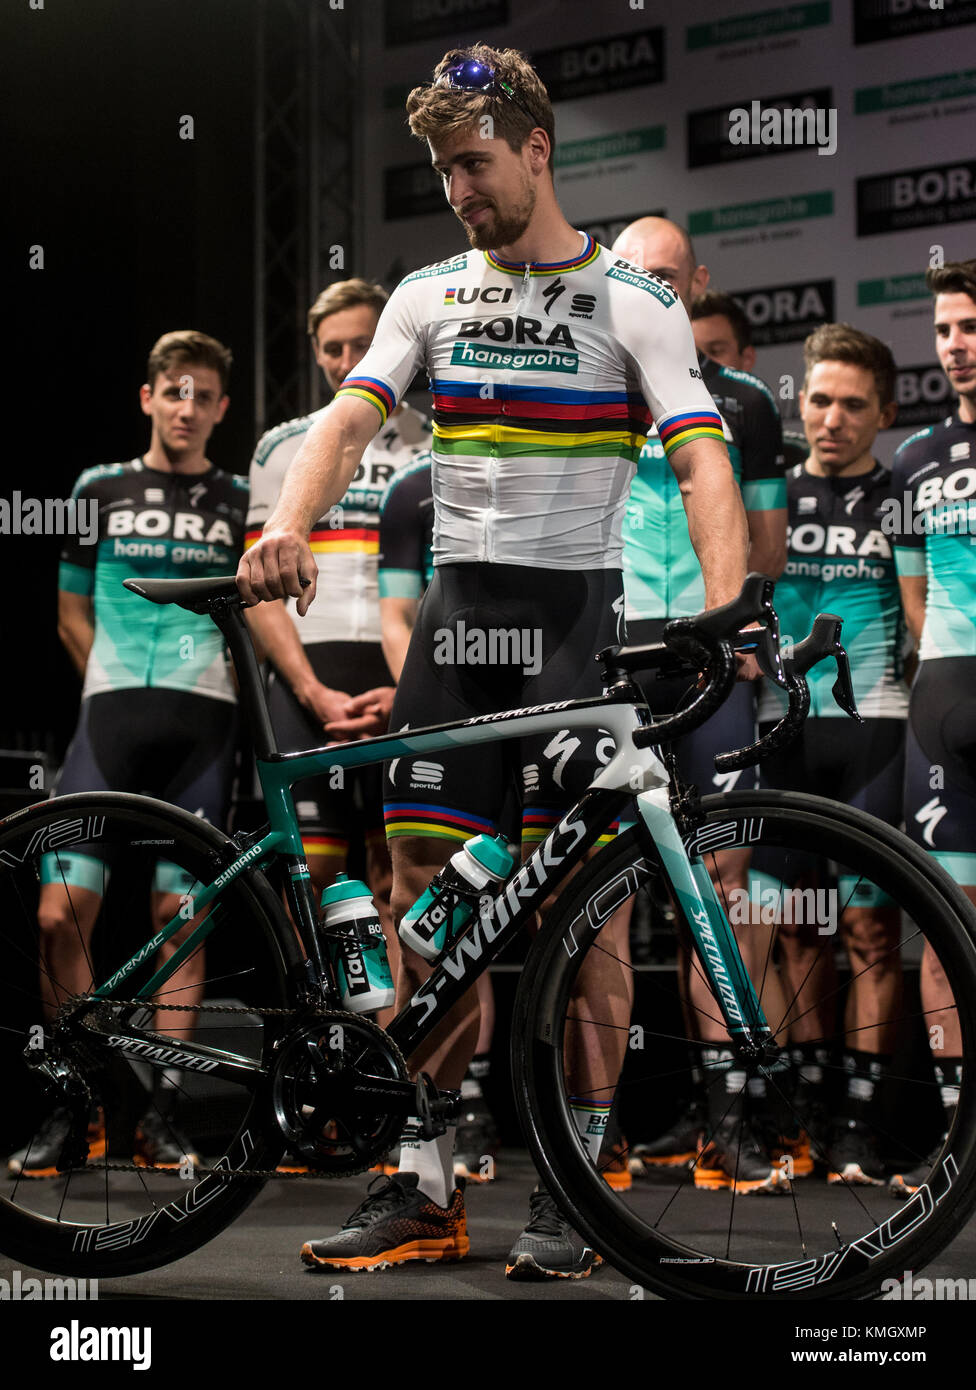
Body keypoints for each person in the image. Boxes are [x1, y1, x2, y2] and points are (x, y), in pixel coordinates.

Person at [238, 43, 749, 1279]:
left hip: (574, 626)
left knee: (592, 926)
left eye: (473, 164)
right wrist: (290, 523)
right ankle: (424, 1180)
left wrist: (730, 617)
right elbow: (347, 420)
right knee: (427, 913)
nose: (458, 190)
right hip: (459, 634)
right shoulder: (425, 294)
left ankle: (577, 1182)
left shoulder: (636, 297)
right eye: (439, 171)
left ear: (536, 150)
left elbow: (700, 463)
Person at [8, 330, 244, 1177]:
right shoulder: (96, 487)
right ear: (147, 398)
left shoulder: (241, 497)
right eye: (172, 392)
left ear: (221, 408)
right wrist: (104, 681)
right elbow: (69, 612)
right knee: (56, 912)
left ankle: (164, 1111)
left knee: (179, 921)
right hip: (107, 723)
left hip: (205, 729)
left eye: (203, 396)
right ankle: (74, 1099)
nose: (187, 408)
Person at [610, 220, 789, 1191]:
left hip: (711, 663)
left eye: (669, 277)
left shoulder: (746, 402)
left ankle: (728, 1117)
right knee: (591, 900)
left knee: (722, 895)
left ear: (696, 284)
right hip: (613, 665)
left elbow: (766, 535)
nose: (653, 289)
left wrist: (746, 631)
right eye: (637, 274)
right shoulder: (590, 383)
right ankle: (598, 1126)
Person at [245, 280, 431, 985]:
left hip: (402, 667)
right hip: (307, 674)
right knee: (311, 874)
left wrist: (407, 687)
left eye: (364, 343)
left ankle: (399, 1065)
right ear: (316, 353)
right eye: (334, 349)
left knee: (400, 878)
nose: (350, 358)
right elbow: (257, 586)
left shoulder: (433, 439)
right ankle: (318, 1047)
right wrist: (312, 692)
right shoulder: (283, 446)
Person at [757, 324, 907, 1186]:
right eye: (819, 399)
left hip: (875, 730)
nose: (833, 419)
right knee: (792, 935)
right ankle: (804, 1117)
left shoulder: (901, 494)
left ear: (884, 413)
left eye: (854, 405)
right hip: (783, 733)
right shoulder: (770, 494)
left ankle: (861, 1124)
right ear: (800, 401)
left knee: (868, 935)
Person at [890, 258, 976, 1196]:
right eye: (947, 329)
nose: (957, 346)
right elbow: (913, 604)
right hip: (946, 702)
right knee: (951, 930)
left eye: (971, 327)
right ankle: (961, 1139)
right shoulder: (915, 460)